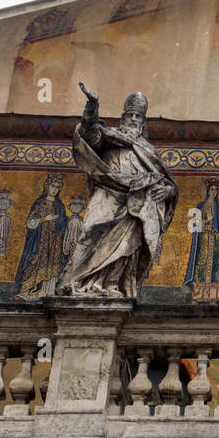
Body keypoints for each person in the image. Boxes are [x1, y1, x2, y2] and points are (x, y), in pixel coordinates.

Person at [59, 84, 178, 298]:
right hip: (108, 194)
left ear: (143, 122)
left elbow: (165, 180)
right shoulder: (108, 137)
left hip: (136, 203)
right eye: (130, 115)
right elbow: (89, 134)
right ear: (123, 118)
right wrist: (92, 107)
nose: (133, 119)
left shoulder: (148, 150)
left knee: (128, 246)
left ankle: (112, 285)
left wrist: (168, 191)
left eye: (137, 116)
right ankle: (78, 282)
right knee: (90, 232)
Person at [13, 172, 68, 299]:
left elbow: (64, 222)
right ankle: (28, 292)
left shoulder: (60, 206)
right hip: (39, 241)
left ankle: (48, 292)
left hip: (54, 242)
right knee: (34, 262)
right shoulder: (39, 203)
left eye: (57, 187)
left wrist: (62, 220)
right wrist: (44, 219)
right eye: (52, 186)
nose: (54, 190)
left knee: (53, 266)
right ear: (47, 187)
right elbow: (30, 222)